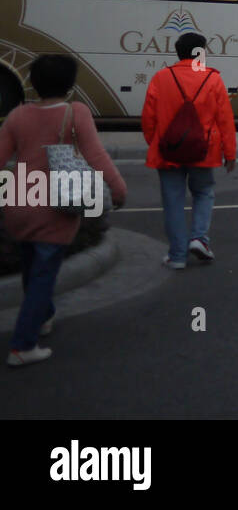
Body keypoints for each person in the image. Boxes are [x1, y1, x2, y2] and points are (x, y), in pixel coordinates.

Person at [1, 54, 127, 366]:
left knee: (33, 265)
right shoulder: (76, 113)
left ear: (33, 82)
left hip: (19, 200)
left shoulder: (17, 115)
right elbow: (96, 156)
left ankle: (43, 317)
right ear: (70, 84)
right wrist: (118, 189)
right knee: (44, 273)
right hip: (52, 206)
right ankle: (22, 346)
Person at [141, 33, 237, 269]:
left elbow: (148, 119)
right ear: (200, 53)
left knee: (173, 202)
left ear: (178, 52)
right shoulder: (213, 79)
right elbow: (225, 120)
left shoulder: (161, 77)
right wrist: (230, 153)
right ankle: (199, 239)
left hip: (168, 151)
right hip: (203, 151)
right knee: (204, 192)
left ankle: (177, 256)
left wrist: (157, 142)